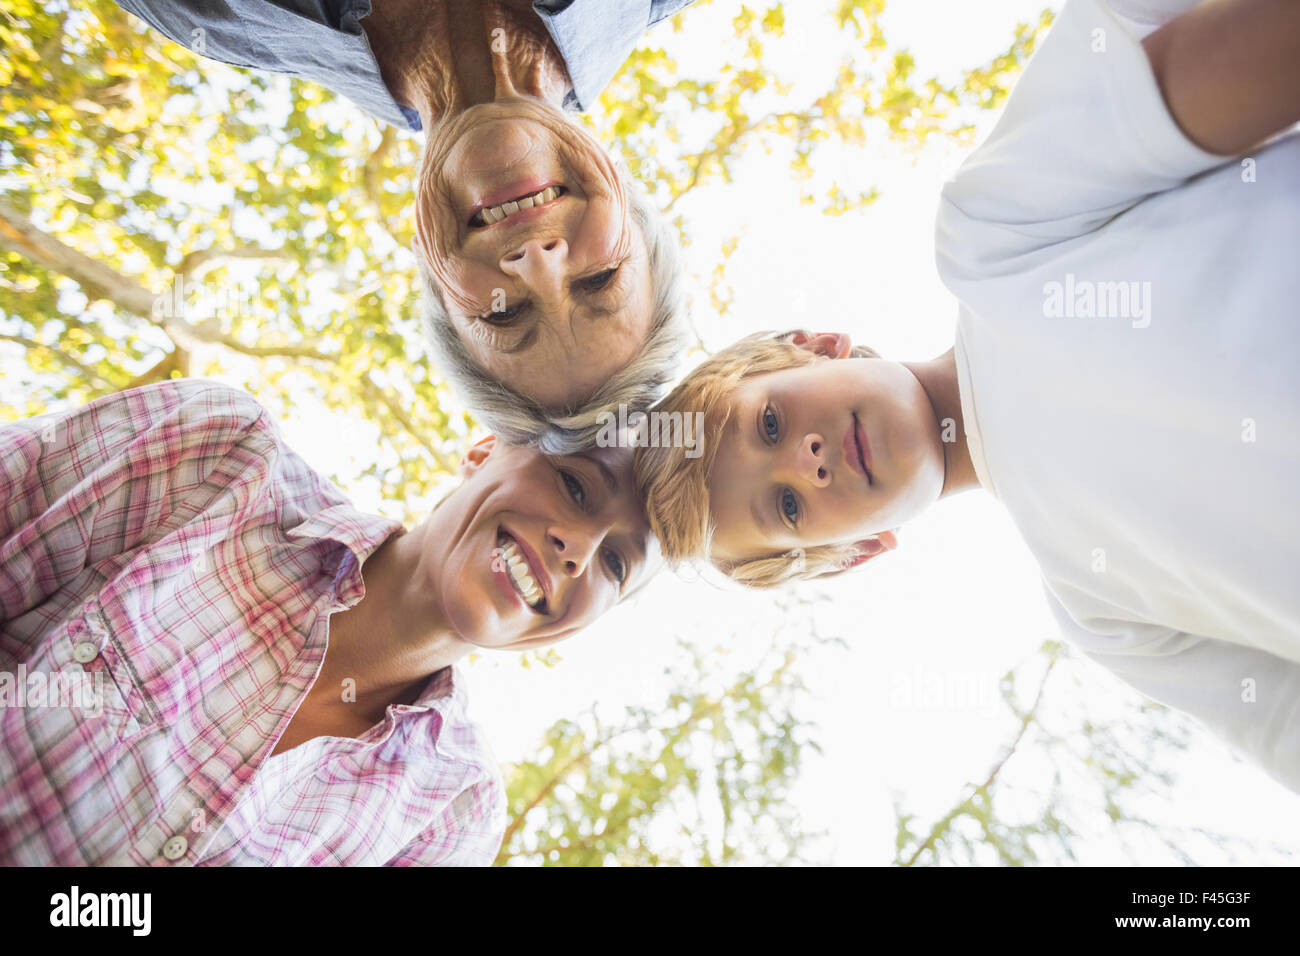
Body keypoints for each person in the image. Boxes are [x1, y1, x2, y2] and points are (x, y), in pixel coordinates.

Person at [633, 0, 1300, 791]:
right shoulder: (1106, 616)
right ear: (851, 558)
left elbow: (1241, 56)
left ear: (810, 347)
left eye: (769, 423)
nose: (805, 460)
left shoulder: (993, 238)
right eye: (786, 510)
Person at [0, 379, 659, 865]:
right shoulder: (224, 458)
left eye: (618, 563)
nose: (579, 549)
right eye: (575, 486)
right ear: (485, 451)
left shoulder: (451, 815)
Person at [111, 0, 694, 450]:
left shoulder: (211, 16)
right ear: (635, 211)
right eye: (600, 281)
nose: (538, 264)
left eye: (503, 312)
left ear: (429, 264)